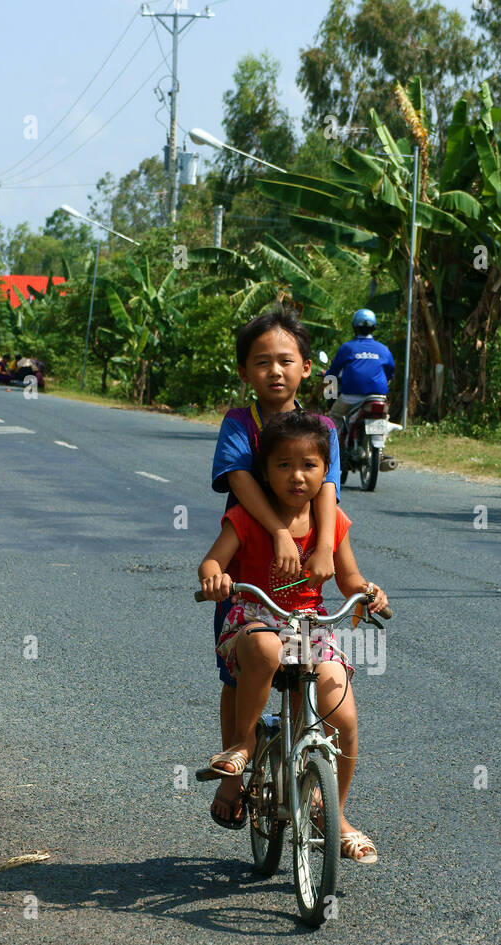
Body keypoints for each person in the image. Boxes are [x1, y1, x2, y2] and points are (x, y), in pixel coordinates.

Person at [198, 411, 388, 864]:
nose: (296, 476)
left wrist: (367, 593)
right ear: (264, 472)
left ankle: (336, 814)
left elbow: (349, 579)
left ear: (326, 473)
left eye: (309, 466)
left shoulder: (332, 524)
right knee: (264, 647)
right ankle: (243, 743)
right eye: (283, 465)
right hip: (253, 617)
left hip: (309, 625)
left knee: (341, 706)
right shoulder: (245, 519)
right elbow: (212, 563)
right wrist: (215, 580)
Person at [207, 305, 342, 829]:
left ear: (307, 367)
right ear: (245, 372)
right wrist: (280, 532)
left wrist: (324, 545)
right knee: (238, 673)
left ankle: (317, 783)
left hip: (304, 569)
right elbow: (240, 481)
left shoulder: (321, 426)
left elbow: (329, 488)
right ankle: (233, 774)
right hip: (247, 564)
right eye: (261, 362)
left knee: (315, 669)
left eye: (287, 360)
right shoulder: (240, 422)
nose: (276, 371)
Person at [323, 309, 395, 436]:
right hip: (378, 396)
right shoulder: (384, 349)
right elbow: (390, 371)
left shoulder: (347, 348)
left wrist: (327, 375)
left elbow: (333, 372)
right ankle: (381, 446)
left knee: (335, 416)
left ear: (354, 327)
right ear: (374, 327)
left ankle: (333, 450)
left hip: (351, 396)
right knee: (383, 417)